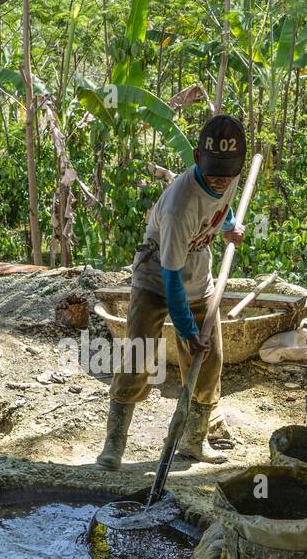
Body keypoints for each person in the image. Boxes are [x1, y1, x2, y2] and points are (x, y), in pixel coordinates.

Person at [97, 114, 246, 470]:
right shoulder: (181, 205)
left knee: (210, 361)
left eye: (228, 172)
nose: (222, 179)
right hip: (156, 276)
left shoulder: (229, 171)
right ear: (197, 158)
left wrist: (228, 227)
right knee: (138, 357)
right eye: (214, 173)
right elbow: (170, 277)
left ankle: (193, 440)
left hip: (199, 276)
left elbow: (221, 206)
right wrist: (187, 330)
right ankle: (114, 444)